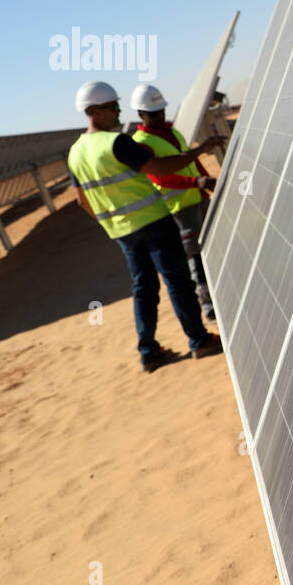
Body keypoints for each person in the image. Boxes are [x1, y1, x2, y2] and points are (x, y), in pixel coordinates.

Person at [67, 81, 223, 372]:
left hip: (122, 233)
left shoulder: (75, 152)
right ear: (92, 112)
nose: (118, 111)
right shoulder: (117, 142)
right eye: (112, 107)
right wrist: (198, 151)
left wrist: (109, 223)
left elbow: (81, 201)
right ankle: (199, 341)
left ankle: (149, 352)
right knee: (178, 282)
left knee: (144, 288)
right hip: (154, 221)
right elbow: (160, 169)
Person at [128, 83, 217, 321]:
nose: (159, 117)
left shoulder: (173, 131)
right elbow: (160, 177)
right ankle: (209, 308)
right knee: (196, 259)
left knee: (215, 249)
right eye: (153, 114)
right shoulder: (140, 142)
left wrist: (204, 183)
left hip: (198, 199)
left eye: (161, 111)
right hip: (179, 210)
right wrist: (196, 182)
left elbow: (189, 159)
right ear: (140, 114)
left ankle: (221, 297)